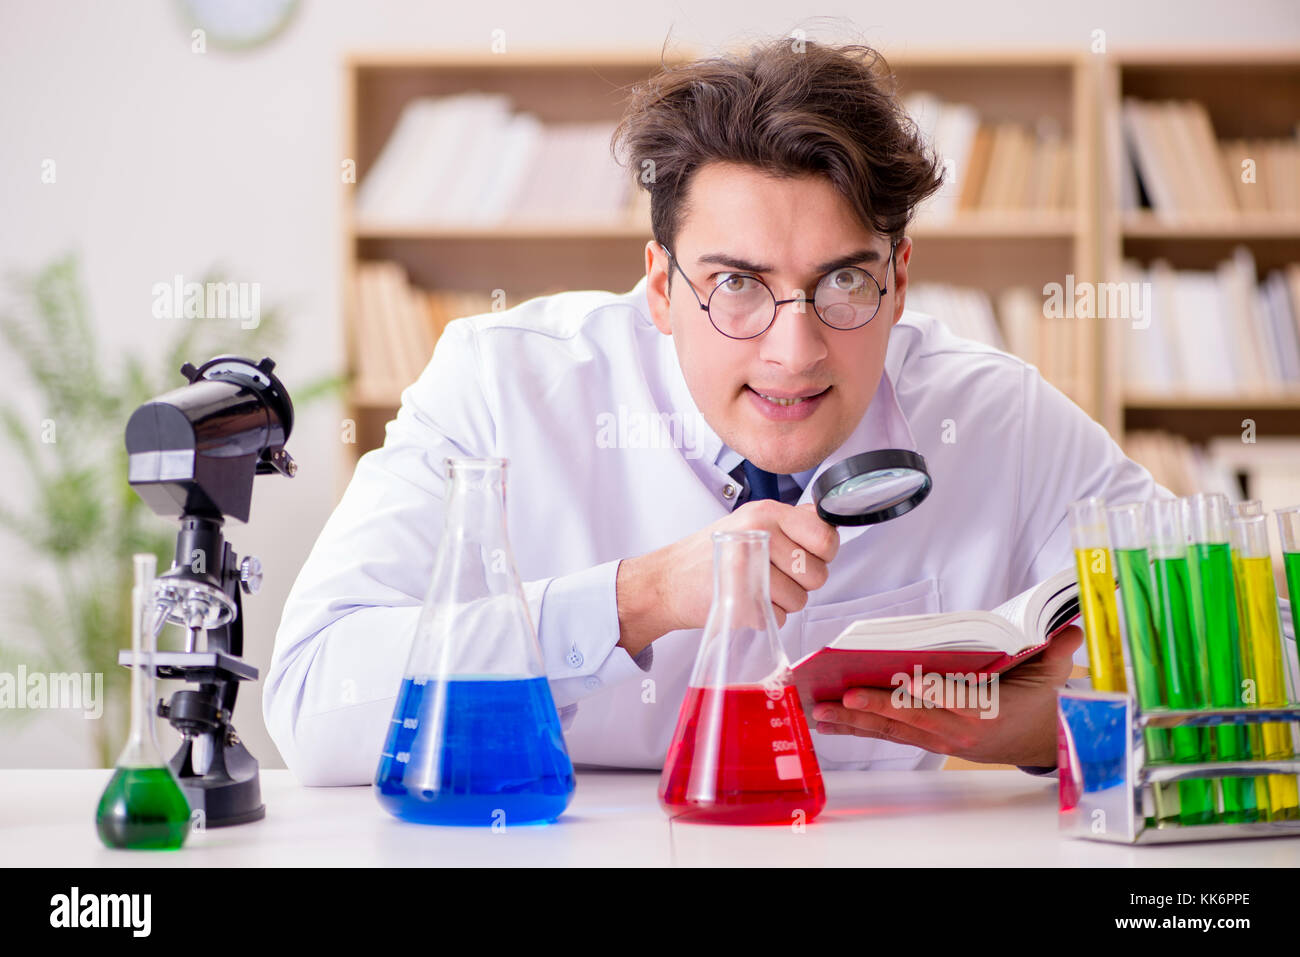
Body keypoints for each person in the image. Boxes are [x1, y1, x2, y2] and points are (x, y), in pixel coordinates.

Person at [265, 37, 1167, 787]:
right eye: (737, 284)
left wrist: (1062, 724)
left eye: (844, 281)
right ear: (660, 288)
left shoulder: (996, 417)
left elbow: (1268, 648)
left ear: (899, 285)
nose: (795, 350)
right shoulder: (501, 386)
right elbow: (312, 702)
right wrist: (638, 598)